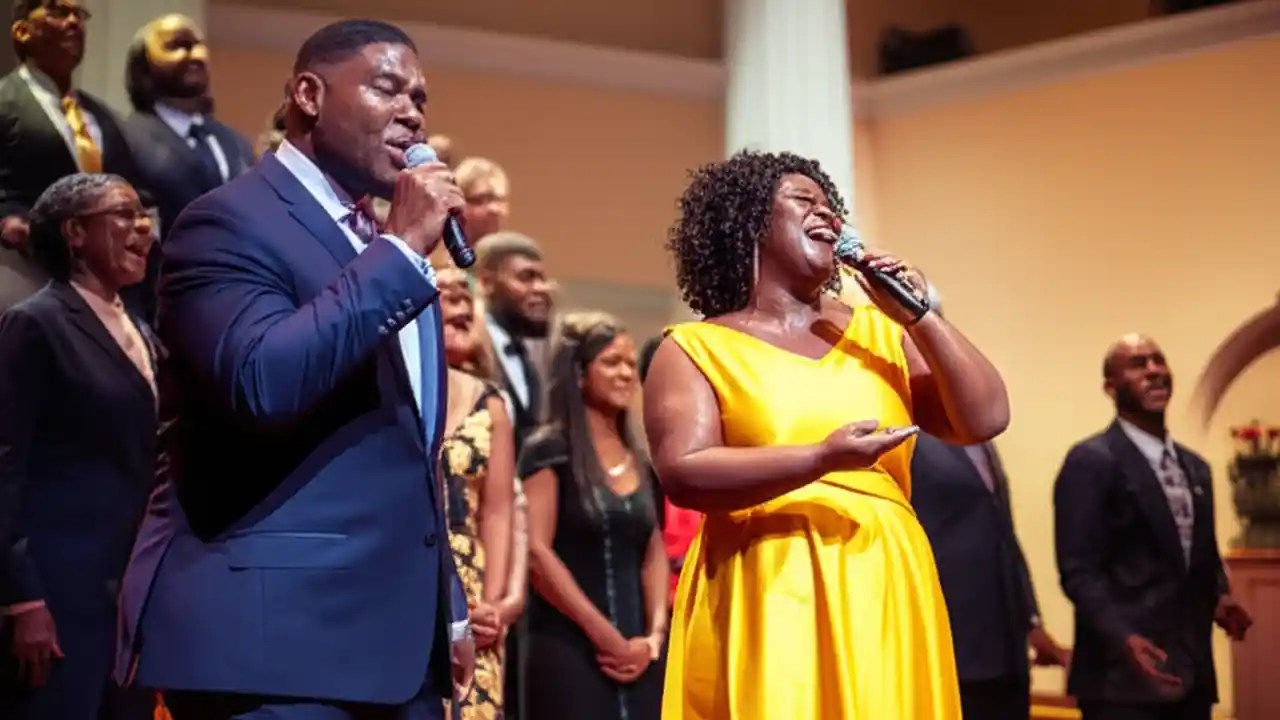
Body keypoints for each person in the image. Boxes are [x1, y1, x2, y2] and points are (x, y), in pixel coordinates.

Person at [115, 19, 474, 720]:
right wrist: (401, 249)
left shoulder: (388, 247)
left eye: (421, 98)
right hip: (273, 647)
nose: (412, 112)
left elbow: (409, 448)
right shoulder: (224, 222)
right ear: (308, 94)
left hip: (398, 651)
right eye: (387, 87)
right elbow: (262, 383)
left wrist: (446, 605)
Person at [644, 150, 1010, 719]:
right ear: (749, 224)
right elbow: (684, 472)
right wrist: (819, 458)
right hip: (765, 577)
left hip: (881, 574)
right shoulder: (696, 347)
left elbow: (984, 418)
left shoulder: (878, 332)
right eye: (803, 201)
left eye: (830, 206)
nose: (827, 215)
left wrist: (920, 317)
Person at [0, 173, 158, 720]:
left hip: (130, 597)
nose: (144, 228)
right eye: (125, 214)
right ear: (74, 233)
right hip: (60, 597)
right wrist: (22, 600)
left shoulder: (140, 327)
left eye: (145, 216)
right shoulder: (35, 323)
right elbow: (5, 467)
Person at [1053, 334, 1252, 720]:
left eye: (1159, 361)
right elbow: (1079, 572)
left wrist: (1220, 597)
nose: (1154, 371)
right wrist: (1124, 638)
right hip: (1121, 680)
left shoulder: (1195, 468)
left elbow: (1199, 553)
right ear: (1110, 387)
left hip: (1190, 673)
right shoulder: (1091, 462)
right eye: (1138, 364)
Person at [521, 311, 668, 720]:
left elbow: (654, 550)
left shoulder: (640, 459)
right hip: (568, 648)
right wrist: (606, 637)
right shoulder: (549, 449)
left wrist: (653, 638)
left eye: (629, 364)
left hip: (641, 653)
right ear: (579, 374)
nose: (626, 374)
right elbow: (536, 553)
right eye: (611, 362)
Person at [122, 13, 254, 322]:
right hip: (161, 311)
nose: (194, 54)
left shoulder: (234, 142)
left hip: (239, 310)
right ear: (142, 65)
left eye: (197, 45)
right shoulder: (124, 138)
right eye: (177, 45)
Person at [0, 0, 142, 285]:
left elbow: (137, 190)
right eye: (58, 11)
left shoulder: (104, 117)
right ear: (22, 31)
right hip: (25, 274)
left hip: (104, 280)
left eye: (79, 14)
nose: (74, 22)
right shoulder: (4, 102)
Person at [437, 266, 518, 720]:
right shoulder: (397, 390)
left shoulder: (491, 402)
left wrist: (491, 602)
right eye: (447, 295)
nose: (462, 305)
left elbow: (499, 509)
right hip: (409, 570)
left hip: (471, 576)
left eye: (466, 298)